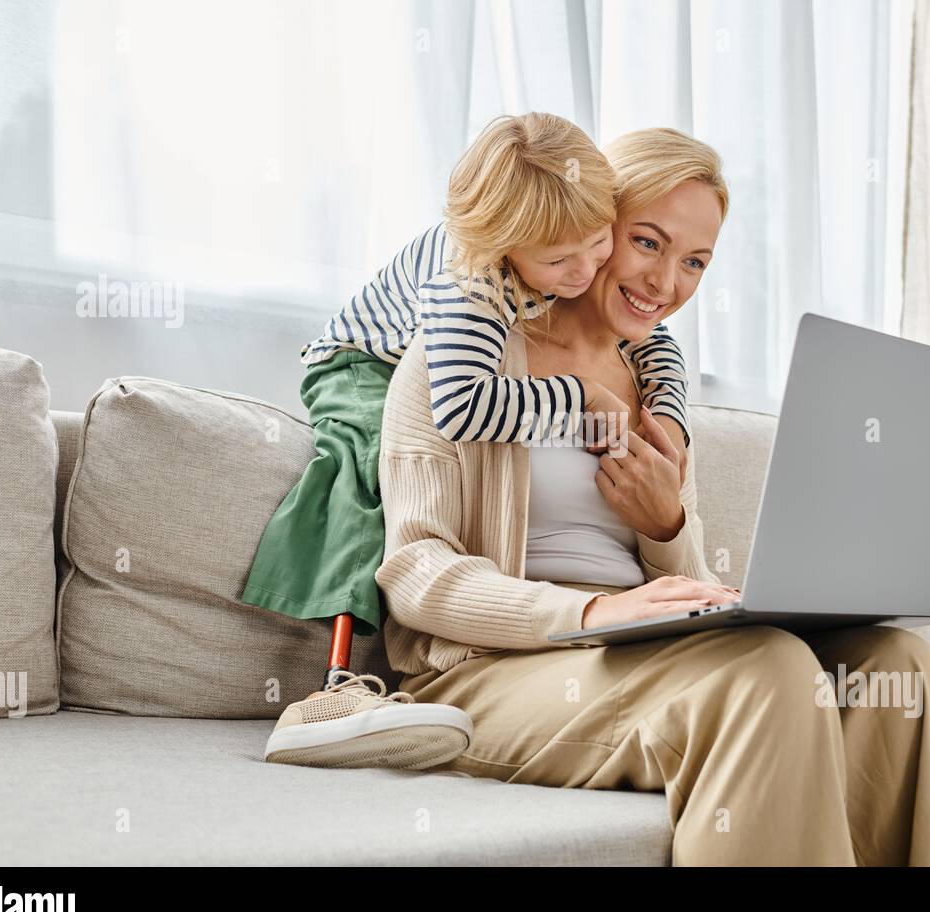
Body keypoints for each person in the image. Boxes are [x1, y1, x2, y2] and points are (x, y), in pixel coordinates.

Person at [374, 127, 930, 865]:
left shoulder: (660, 392)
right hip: (491, 669)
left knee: (896, 665)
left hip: (639, 647)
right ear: (595, 227)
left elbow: (676, 584)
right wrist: (588, 610)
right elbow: (415, 573)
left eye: (695, 260)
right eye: (648, 242)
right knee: (770, 673)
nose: (668, 283)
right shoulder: (460, 359)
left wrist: (664, 522)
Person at [255, 113, 690, 769]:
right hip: (364, 361)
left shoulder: (567, 251)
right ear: (506, 247)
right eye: (558, 261)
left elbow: (656, 340)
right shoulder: (469, 286)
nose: (583, 273)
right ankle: (335, 687)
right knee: (368, 474)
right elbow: (461, 407)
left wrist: (672, 416)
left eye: (598, 245)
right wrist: (579, 397)